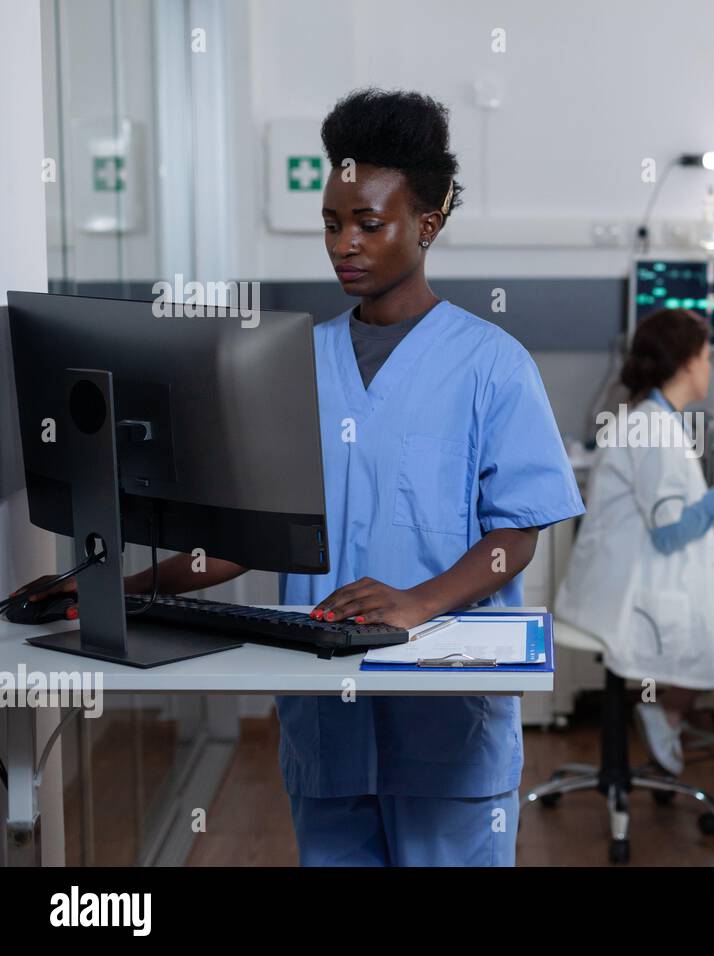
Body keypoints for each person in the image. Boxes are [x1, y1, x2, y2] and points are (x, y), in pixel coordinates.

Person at [20, 88, 584, 865]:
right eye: (331, 223)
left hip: (446, 722)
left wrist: (415, 604)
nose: (344, 244)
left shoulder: (492, 365)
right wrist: (122, 585)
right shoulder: (290, 364)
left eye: (368, 224)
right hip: (329, 719)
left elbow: (516, 536)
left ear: (428, 224)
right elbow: (244, 537)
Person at [555, 308, 714, 852]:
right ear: (686, 362)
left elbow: (659, 527)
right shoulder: (655, 430)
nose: (710, 369)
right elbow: (671, 532)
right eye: (706, 357)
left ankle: (666, 707)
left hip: (630, 585)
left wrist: (705, 558)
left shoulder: (651, 420)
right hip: (635, 605)